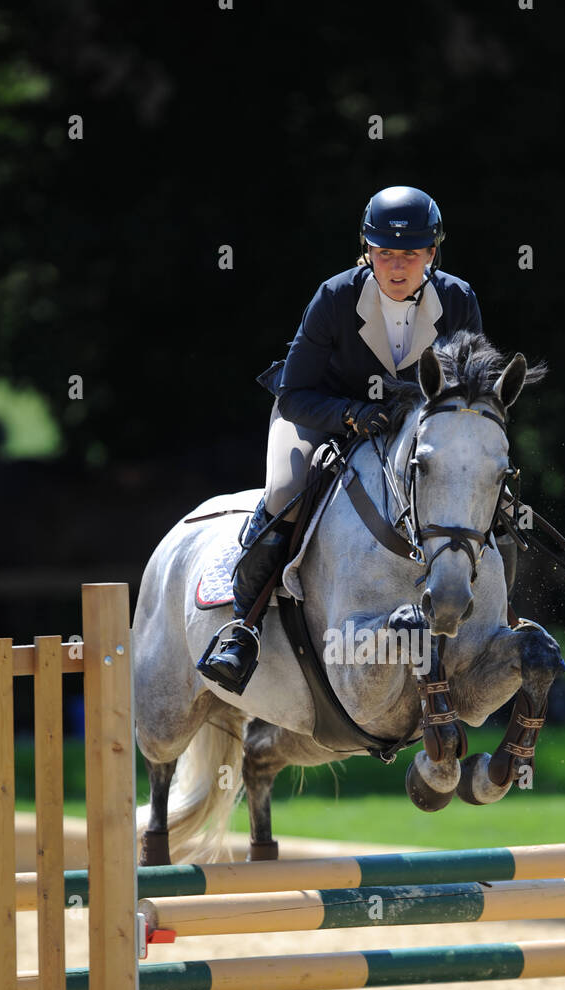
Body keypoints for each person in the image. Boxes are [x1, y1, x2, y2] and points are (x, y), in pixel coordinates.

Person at [199, 185, 483, 694]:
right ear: (366, 250)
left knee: (473, 484)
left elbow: (468, 392)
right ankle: (241, 628)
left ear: (432, 254)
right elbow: (294, 394)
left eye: (410, 255)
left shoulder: (458, 299)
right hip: (322, 410)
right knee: (286, 490)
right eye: (385, 254)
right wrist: (351, 414)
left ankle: (492, 611)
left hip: (411, 428)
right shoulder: (335, 296)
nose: (397, 267)